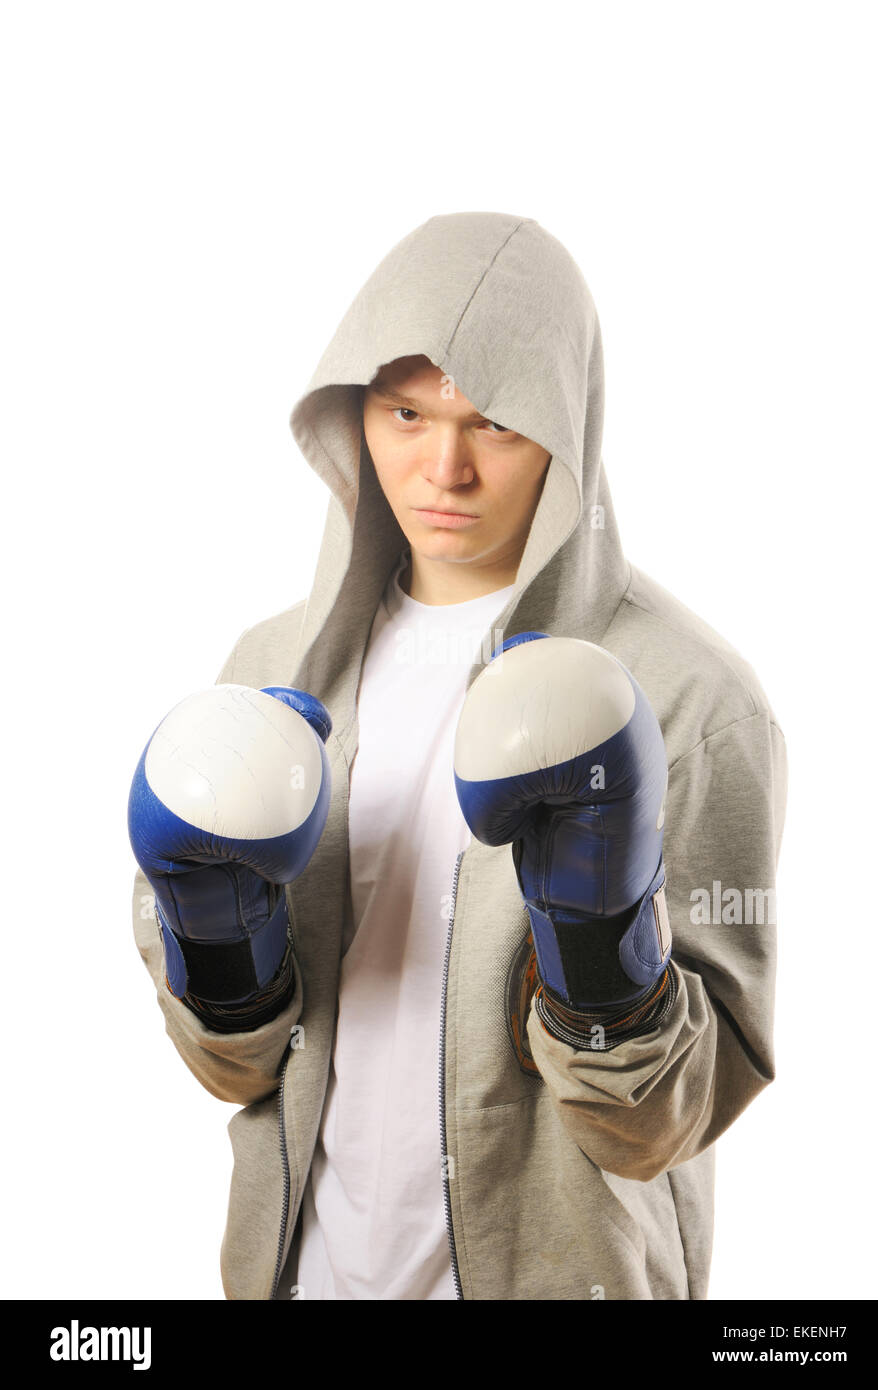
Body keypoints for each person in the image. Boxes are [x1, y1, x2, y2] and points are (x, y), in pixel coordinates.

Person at [131, 210, 787, 1300]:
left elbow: (669, 1117)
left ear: (569, 434)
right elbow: (231, 1070)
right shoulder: (267, 668)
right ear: (353, 416)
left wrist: (601, 965)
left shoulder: (692, 697)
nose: (445, 467)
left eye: (495, 422)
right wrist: (217, 953)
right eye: (405, 413)